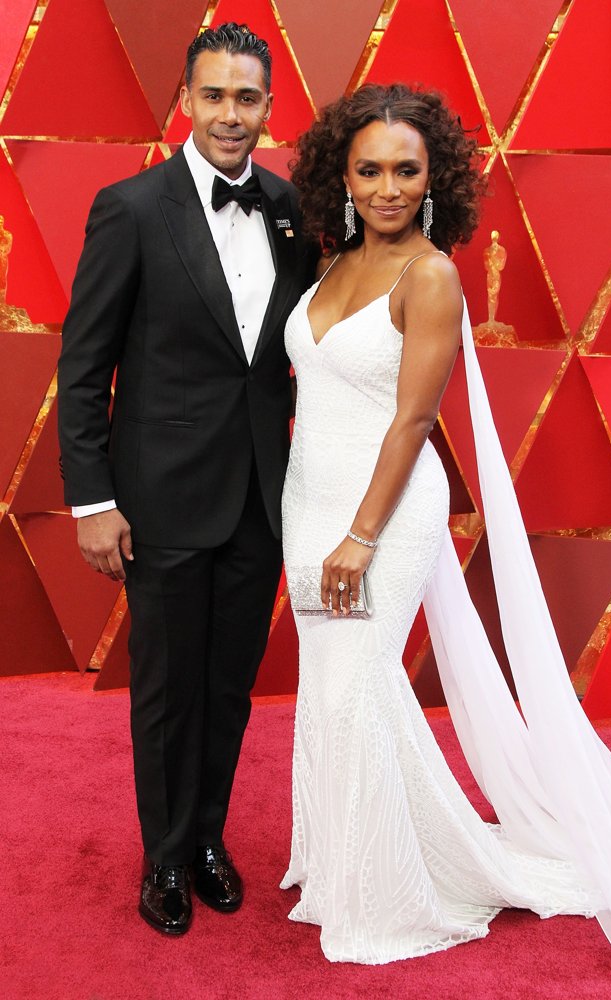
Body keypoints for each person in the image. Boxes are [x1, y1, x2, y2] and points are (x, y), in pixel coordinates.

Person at [280, 84, 611, 995]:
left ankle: (389, 894)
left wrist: (359, 537)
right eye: (368, 170)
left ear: (434, 179)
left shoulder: (428, 275)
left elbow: (411, 419)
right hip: (307, 504)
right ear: (341, 177)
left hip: (379, 515)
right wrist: (323, 524)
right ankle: (344, 862)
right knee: (331, 689)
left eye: (406, 171)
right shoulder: (336, 259)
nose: (387, 188)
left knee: (354, 691)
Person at [58, 22, 312, 935]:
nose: (230, 114)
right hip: (158, 497)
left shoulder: (290, 210)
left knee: (229, 683)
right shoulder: (129, 208)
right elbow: (83, 367)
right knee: (167, 687)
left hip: (260, 496)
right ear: (185, 101)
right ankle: (164, 857)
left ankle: (207, 839)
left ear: (269, 105)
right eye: (214, 95)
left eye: (247, 97)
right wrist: (93, 500)